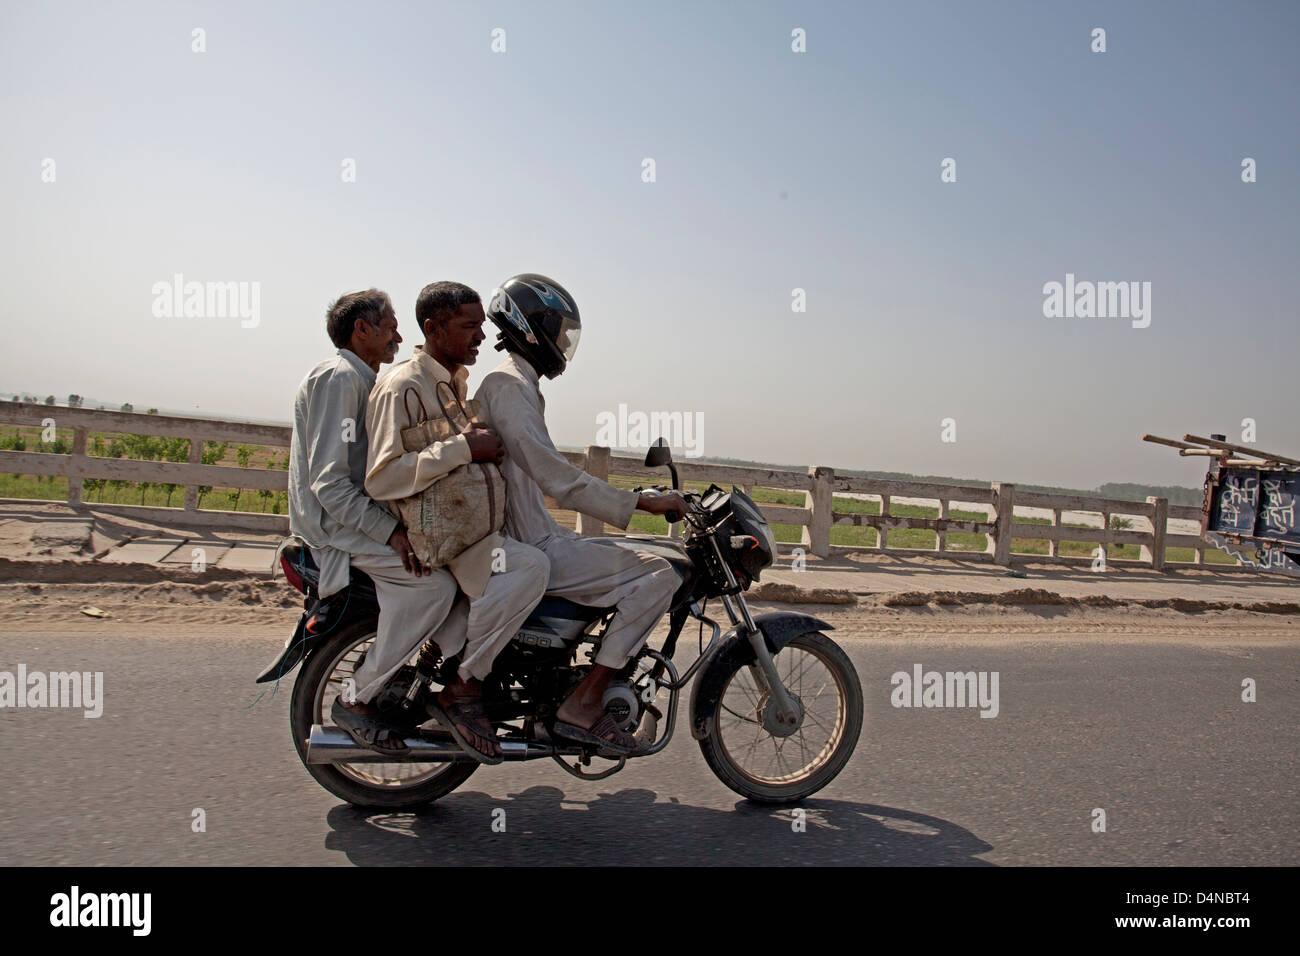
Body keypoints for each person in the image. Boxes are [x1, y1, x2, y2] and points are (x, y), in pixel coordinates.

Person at [474, 274, 689, 754]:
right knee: (661, 575)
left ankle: (574, 675)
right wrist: (640, 503)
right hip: (529, 546)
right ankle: (586, 702)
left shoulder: (518, 385)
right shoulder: (508, 386)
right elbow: (555, 478)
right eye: (559, 330)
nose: (563, 344)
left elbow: (543, 473)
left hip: (537, 535)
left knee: (640, 553)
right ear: (532, 326)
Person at [365, 281, 549, 763]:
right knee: (528, 568)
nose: (481, 339)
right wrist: (465, 448)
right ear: (433, 327)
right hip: (436, 538)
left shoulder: (455, 383)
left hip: (463, 534)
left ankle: (433, 667)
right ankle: (463, 686)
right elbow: (382, 477)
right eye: (469, 327)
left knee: (516, 577)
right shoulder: (403, 385)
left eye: (482, 327)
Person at [288, 288, 463, 758]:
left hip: (350, 524)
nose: (399, 336)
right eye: (389, 326)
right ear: (360, 330)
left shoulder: (359, 380)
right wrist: (390, 531)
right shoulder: (342, 378)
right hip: (337, 531)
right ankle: (357, 696)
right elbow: (329, 483)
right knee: (436, 589)